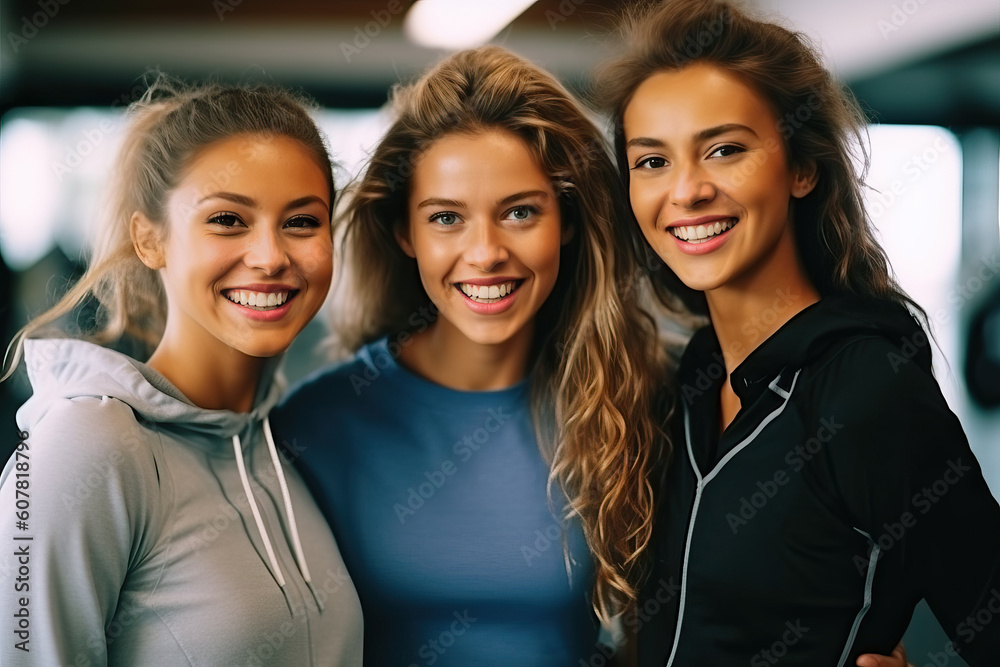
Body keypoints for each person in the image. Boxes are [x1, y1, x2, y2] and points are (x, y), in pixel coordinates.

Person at [594, 0, 1000, 664]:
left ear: (803, 168)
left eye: (724, 150)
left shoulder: (866, 390)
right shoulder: (691, 378)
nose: (686, 191)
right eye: (652, 161)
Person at [269, 46, 667, 666]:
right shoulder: (313, 427)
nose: (485, 253)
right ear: (405, 232)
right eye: (447, 218)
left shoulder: (631, 400)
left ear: (566, 220)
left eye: (520, 212)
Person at [0, 77, 363, 665]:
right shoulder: (85, 447)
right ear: (150, 240)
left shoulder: (281, 444)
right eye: (228, 220)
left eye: (301, 222)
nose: (270, 257)